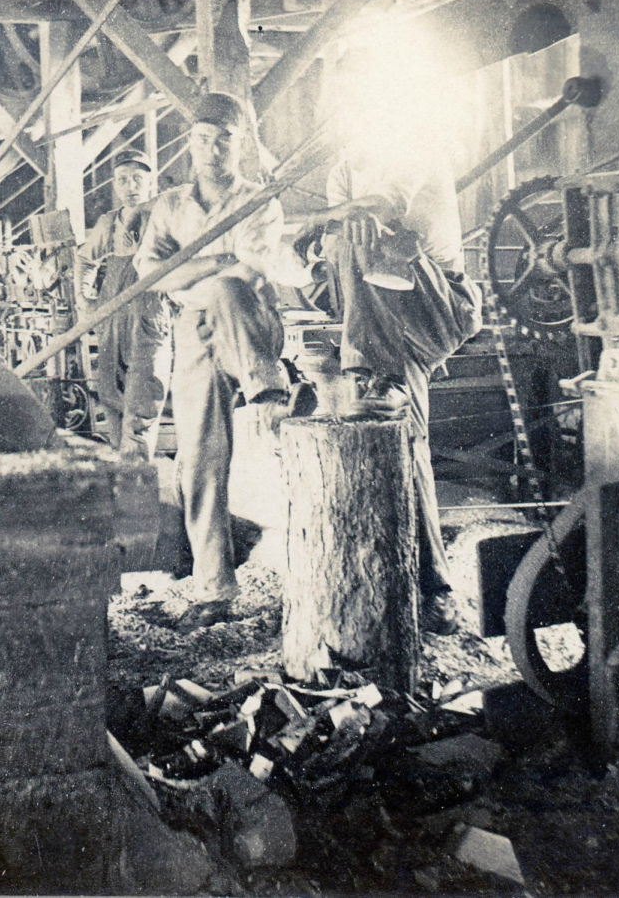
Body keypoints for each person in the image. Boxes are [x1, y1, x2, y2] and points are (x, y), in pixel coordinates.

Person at [297, 59, 484, 635]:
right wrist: (317, 234)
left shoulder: (413, 145)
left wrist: (328, 222)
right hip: (377, 312)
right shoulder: (344, 167)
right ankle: (414, 582)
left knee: (355, 232)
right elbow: (331, 238)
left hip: (435, 305)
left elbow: (378, 208)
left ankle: (438, 587)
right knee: (401, 443)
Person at [133, 93, 317, 624]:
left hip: (250, 322)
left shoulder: (260, 201)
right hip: (194, 333)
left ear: (241, 146)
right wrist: (215, 257)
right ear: (190, 143)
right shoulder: (169, 204)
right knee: (199, 455)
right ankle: (215, 588)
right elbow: (153, 276)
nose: (212, 151)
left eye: (224, 142)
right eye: (202, 140)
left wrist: (195, 270)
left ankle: (269, 394)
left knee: (224, 293)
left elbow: (247, 275)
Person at [76, 148, 167, 458]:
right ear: (114, 185)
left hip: (151, 314)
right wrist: (84, 301)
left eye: (138, 179)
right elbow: (85, 259)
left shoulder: (165, 214)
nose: (131, 187)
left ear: (151, 181)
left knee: (143, 395)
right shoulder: (109, 222)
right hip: (113, 315)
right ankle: (121, 469)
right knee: (110, 393)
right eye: (123, 180)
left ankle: (137, 471)